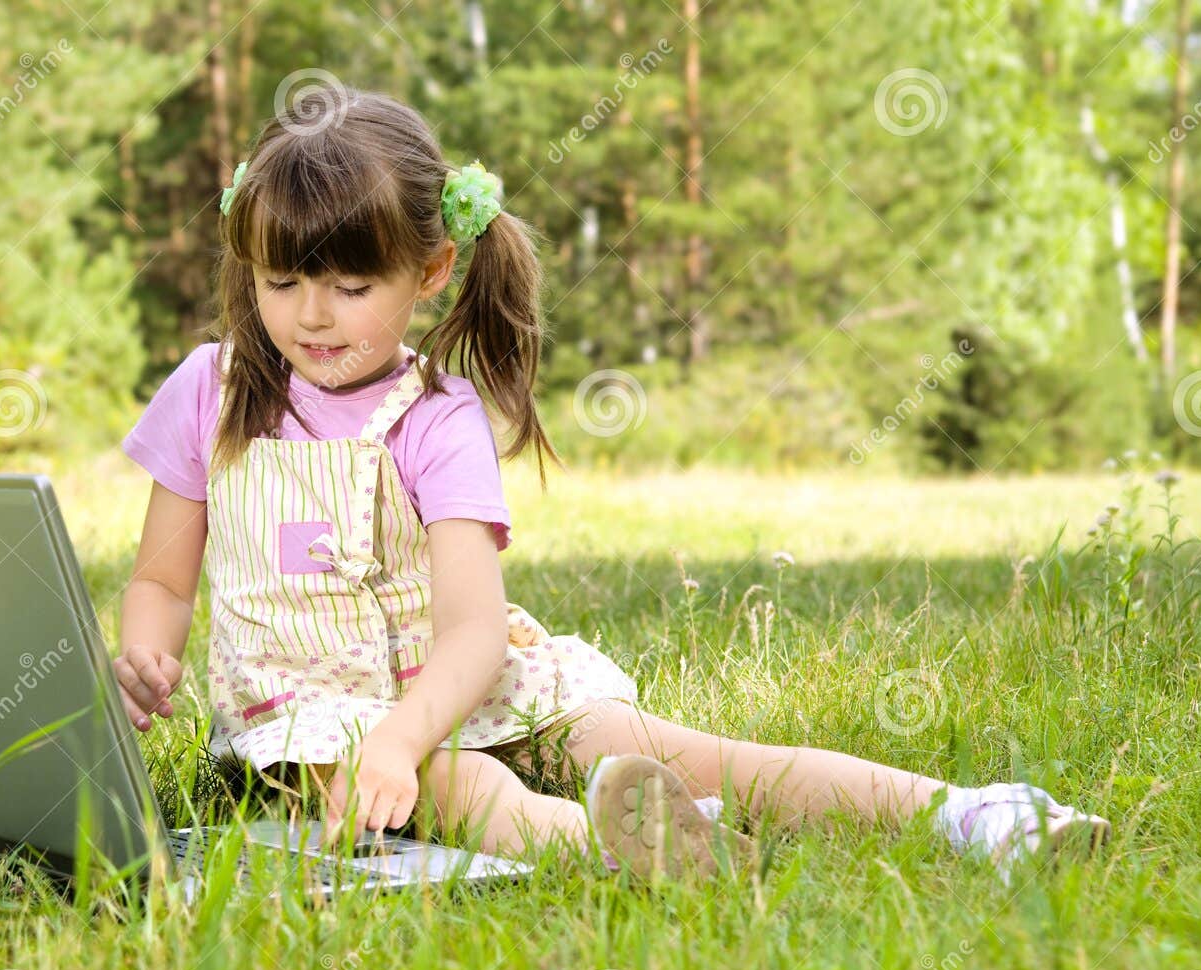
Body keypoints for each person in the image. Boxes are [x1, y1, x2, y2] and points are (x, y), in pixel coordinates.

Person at [115, 87, 1109, 885]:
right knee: (455, 788)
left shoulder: (433, 417)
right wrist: (148, 654)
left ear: (429, 271)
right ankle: (640, 851)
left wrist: (406, 725)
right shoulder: (213, 390)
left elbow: (469, 628)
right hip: (312, 726)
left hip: (456, 685)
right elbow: (163, 579)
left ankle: (972, 810)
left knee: (676, 747)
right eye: (280, 282)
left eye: (349, 285)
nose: (310, 316)